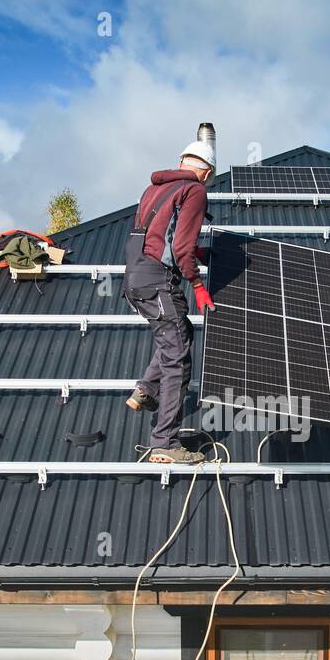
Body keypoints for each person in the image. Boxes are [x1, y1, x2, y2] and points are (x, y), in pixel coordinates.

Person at [122, 140, 217, 464]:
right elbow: (180, 246)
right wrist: (197, 283)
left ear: (181, 162)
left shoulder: (154, 190)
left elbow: (158, 238)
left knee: (177, 334)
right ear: (206, 174)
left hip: (135, 277)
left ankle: (146, 390)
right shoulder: (195, 192)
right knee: (178, 359)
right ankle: (164, 442)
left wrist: (191, 254)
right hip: (157, 281)